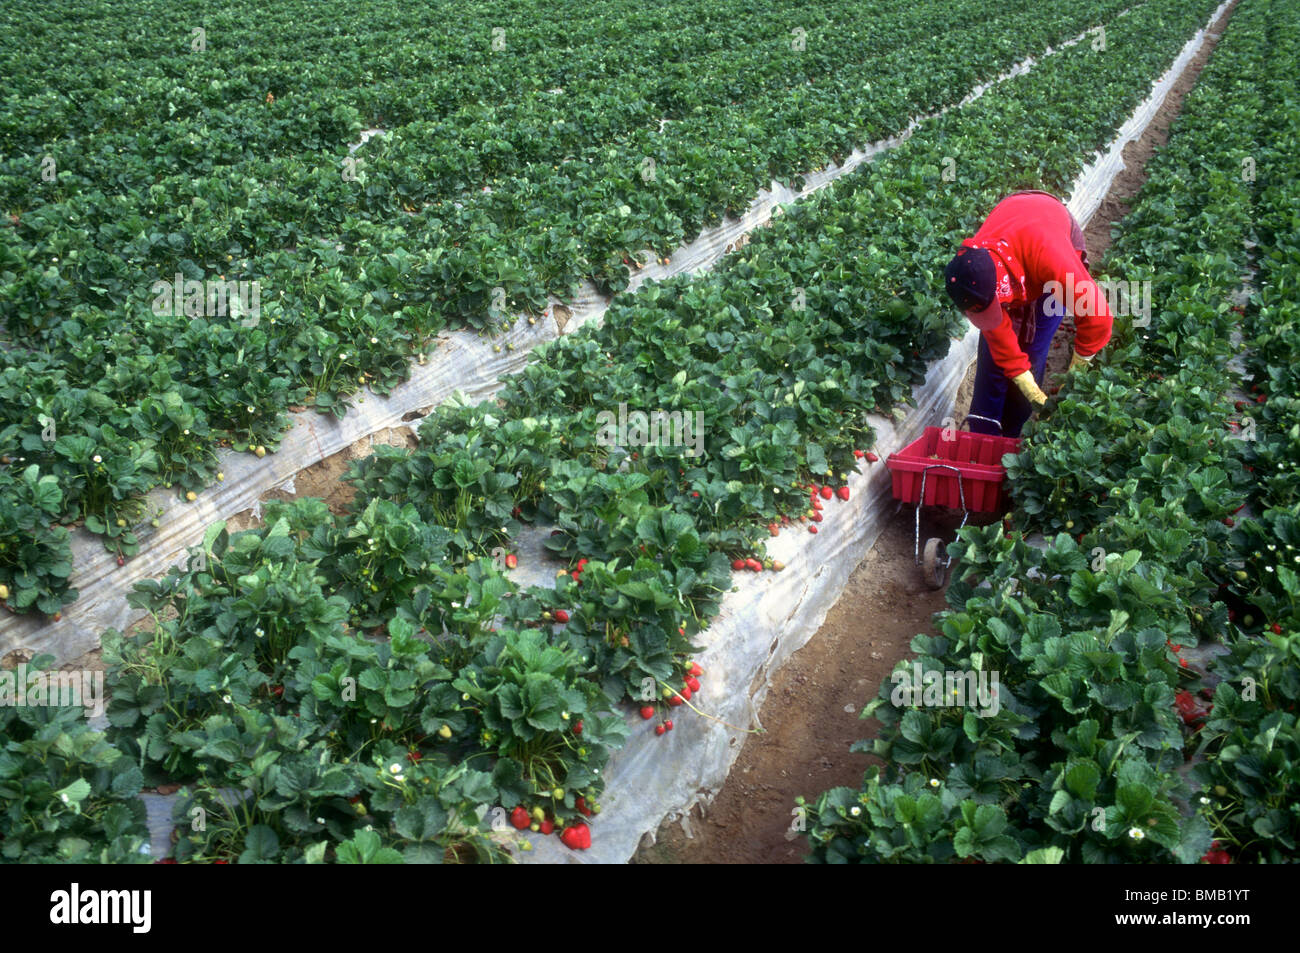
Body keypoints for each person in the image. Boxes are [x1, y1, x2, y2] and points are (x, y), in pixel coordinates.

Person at [942, 190, 1113, 437]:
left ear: (1002, 286)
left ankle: (1014, 431)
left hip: (1046, 225)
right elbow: (996, 329)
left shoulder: (1054, 261)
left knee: (1034, 347)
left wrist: (1077, 369)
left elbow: (1098, 317)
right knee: (994, 357)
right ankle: (983, 431)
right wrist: (1018, 373)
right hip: (1013, 227)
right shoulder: (971, 269)